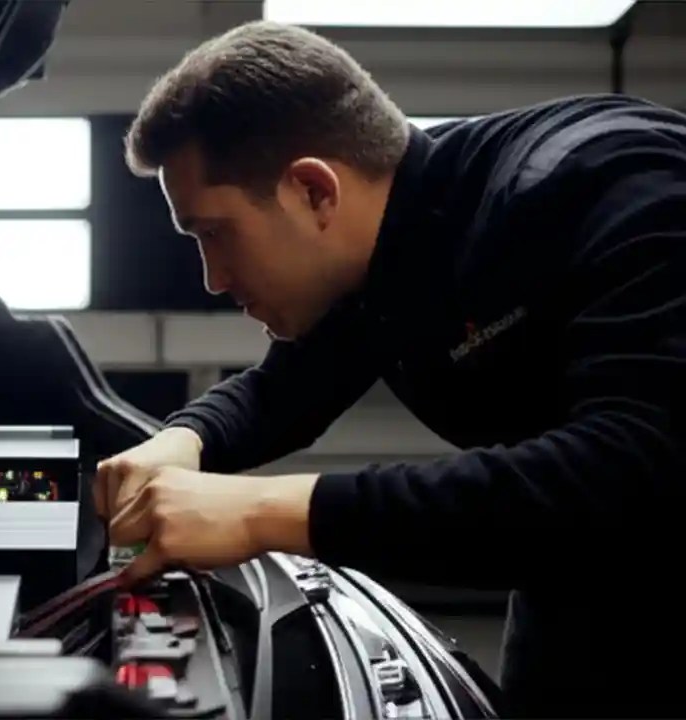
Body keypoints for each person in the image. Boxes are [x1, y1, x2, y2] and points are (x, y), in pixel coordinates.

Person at [93, 19, 686, 719]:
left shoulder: (623, 189)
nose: (213, 279)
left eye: (215, 234)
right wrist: (185, 439)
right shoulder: (394, 243)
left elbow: (628, 476)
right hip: (578, 587)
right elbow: (290, 383)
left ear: (314, 191)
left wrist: (262, 512)